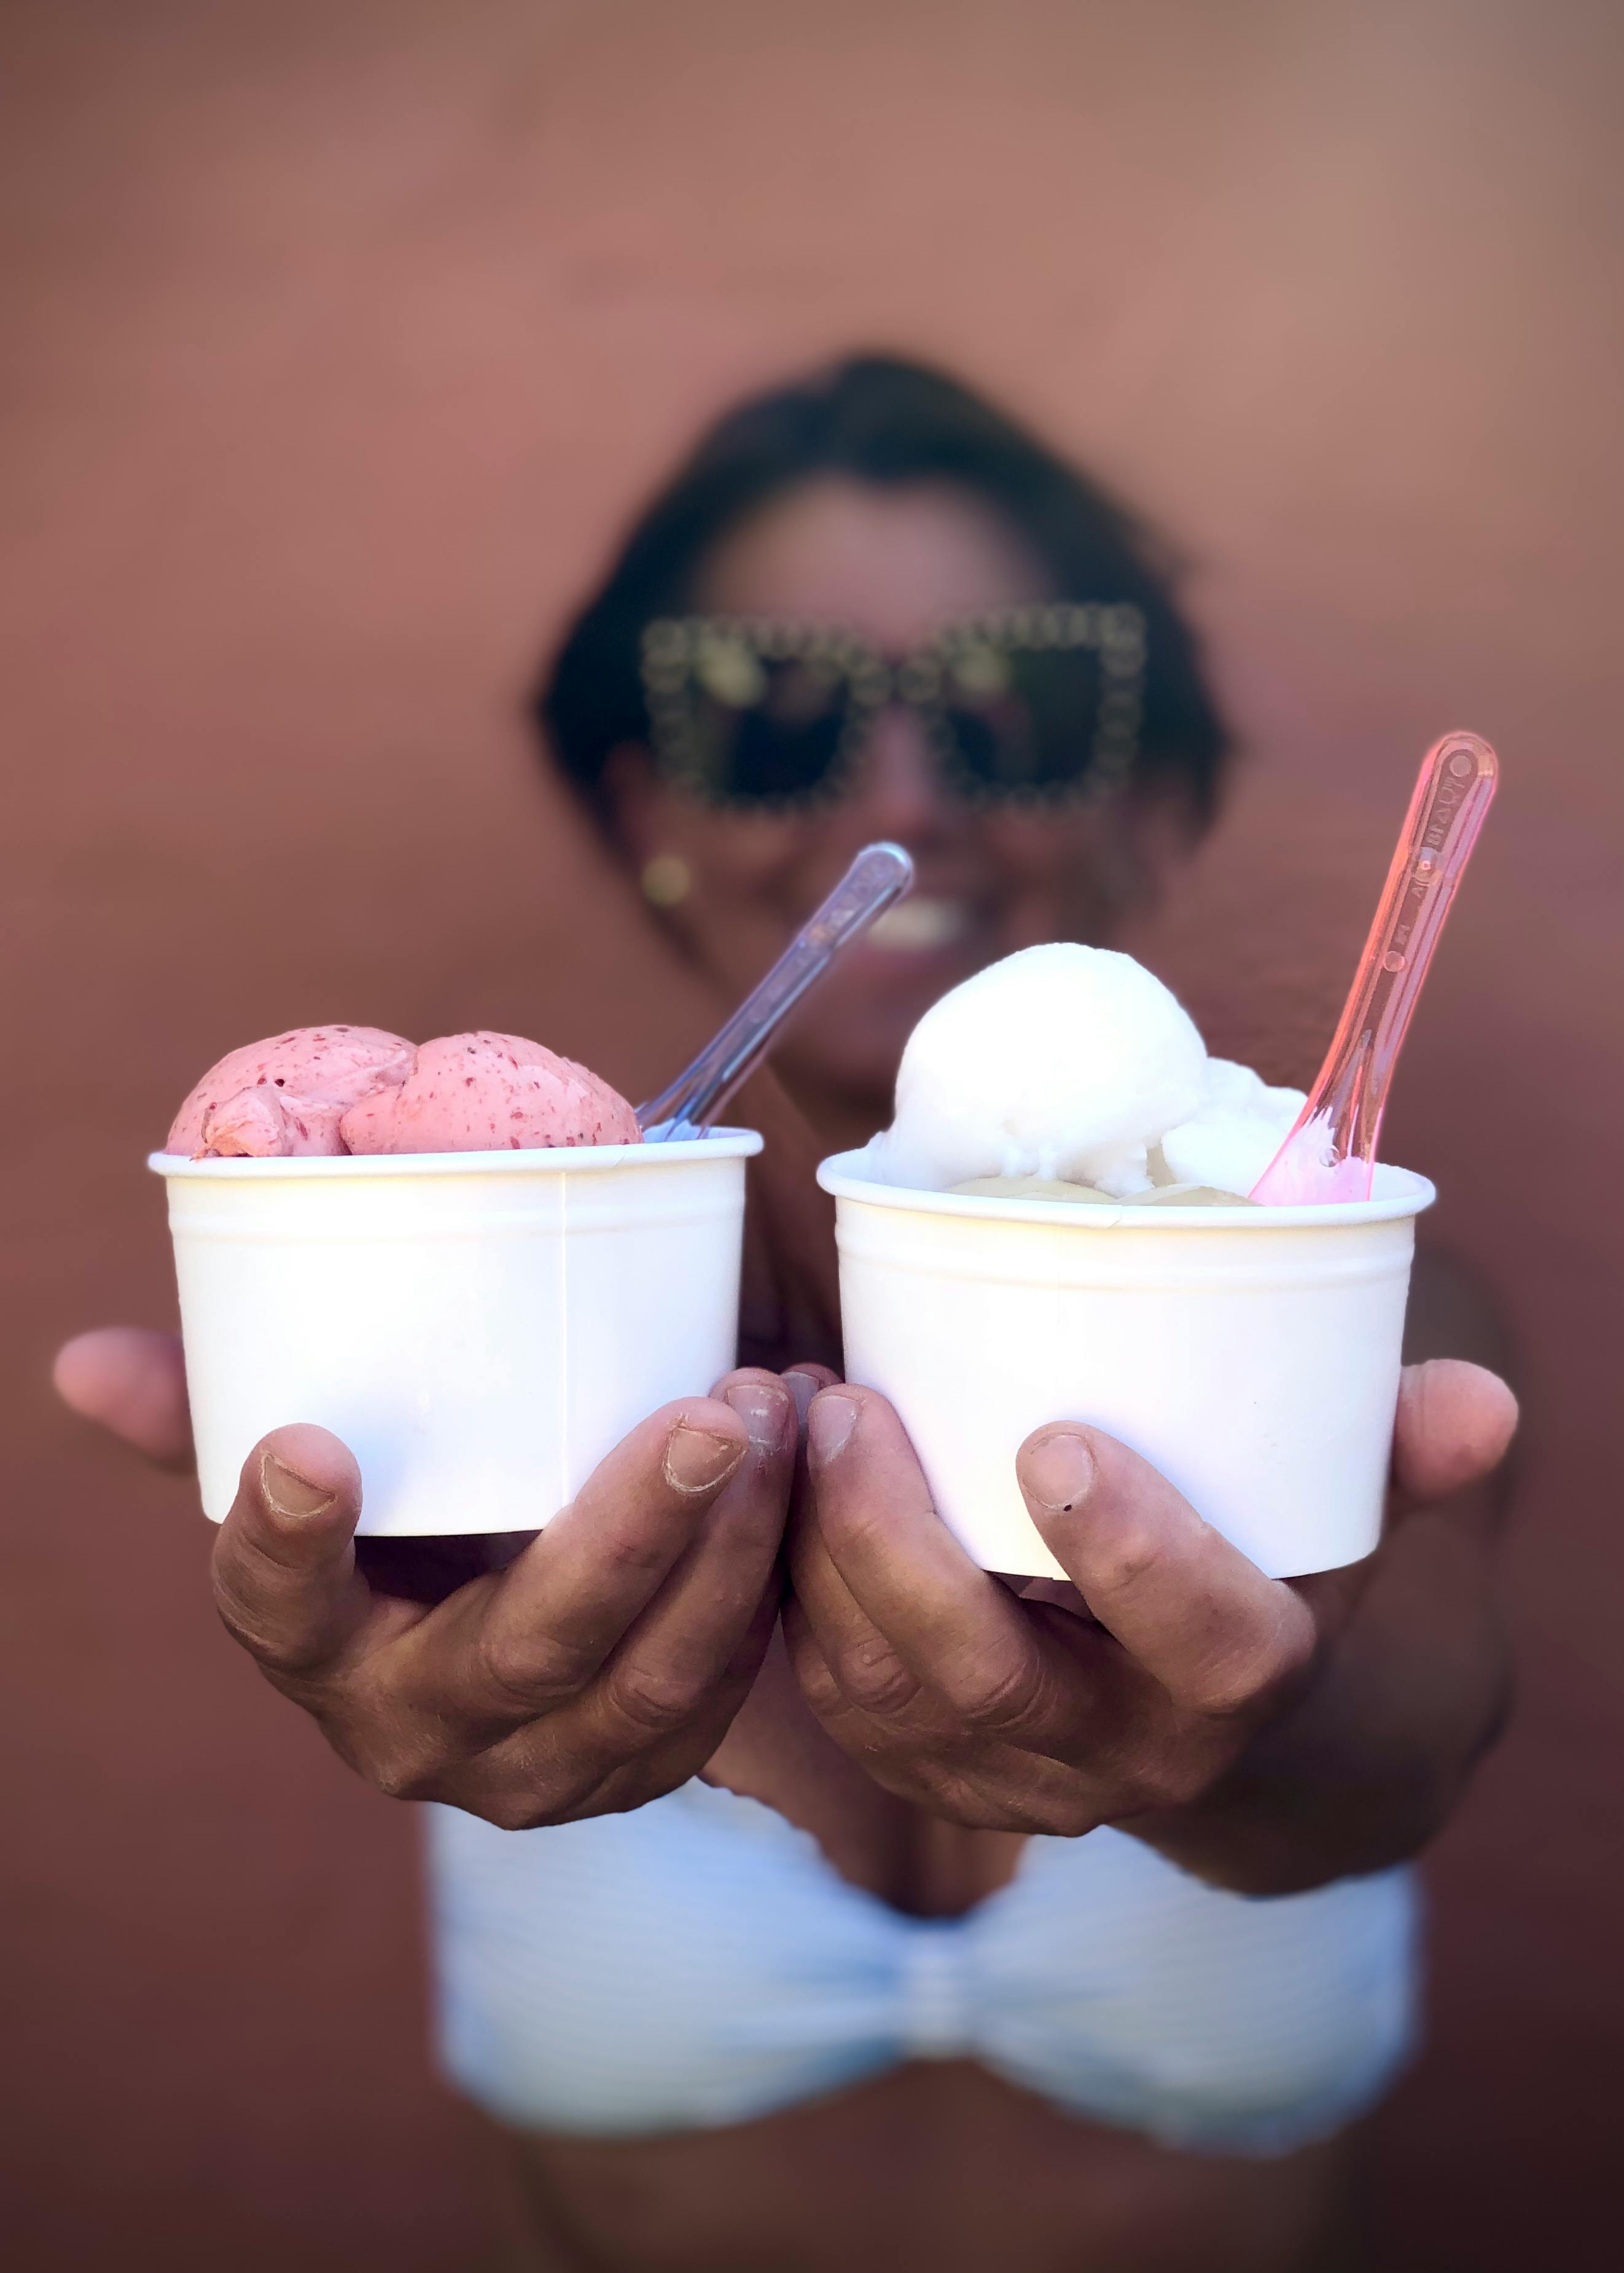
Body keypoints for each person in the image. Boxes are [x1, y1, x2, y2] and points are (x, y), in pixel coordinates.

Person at [55, 356, 1518, 2273]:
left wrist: (1266, 1739)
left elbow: (1407, 1744)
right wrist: (389, 1611)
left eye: (1020, 709)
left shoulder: (1322, 1295)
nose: (904, 794)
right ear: (649, 809)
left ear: (1148, 800)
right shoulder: (518, 1340)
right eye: (771, 719)